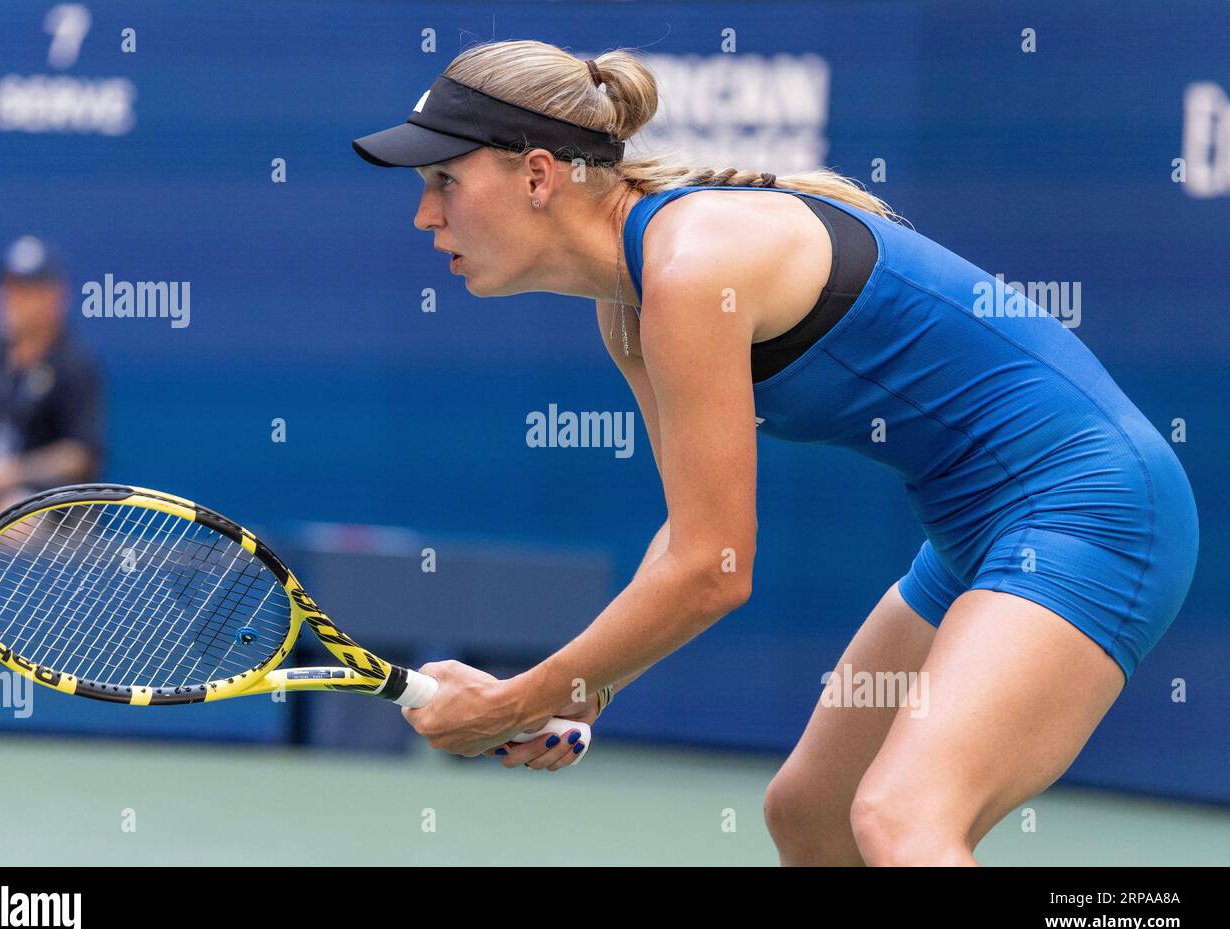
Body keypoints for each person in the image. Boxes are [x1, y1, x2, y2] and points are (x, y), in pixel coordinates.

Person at [350, 41, 1199, 865]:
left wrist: (518, 699)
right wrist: (589, 689)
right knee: (812, 819)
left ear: (537, 174)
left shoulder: (692, 271)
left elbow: (716, 572)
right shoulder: (629, 306)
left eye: (445, 182)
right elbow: (693, 538)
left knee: (903, 820)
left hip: (1097, 512)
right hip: (972, 535)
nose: (426, 214)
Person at [0, 235, 104, 522]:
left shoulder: (73, 365)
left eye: (24, 291)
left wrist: (6, 474)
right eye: (6, 288)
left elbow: (80, 456)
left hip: (48, 506)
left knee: (13, 517)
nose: (10, 300)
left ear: (54, 297)